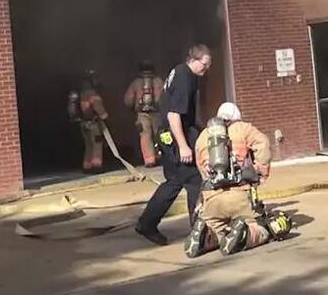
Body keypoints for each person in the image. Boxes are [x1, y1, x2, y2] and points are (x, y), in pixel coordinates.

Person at [184, 102, 292, 258]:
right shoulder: (243, 128)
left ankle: (207, 235)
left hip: (212, 199)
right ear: (237, 117)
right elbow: (263, 144)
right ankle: (244, 235)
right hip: (240, 195)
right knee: (261, 228)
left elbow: (201, 165)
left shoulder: (203, 136)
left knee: (217, 227)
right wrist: (260, 173)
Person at [134, 45, 212, 246]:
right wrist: (184, 145)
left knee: (175, 182)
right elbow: (174, 114)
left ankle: (147, 224)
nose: (206, 69)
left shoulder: (179, 72)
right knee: (194, 180)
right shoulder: (185, 77)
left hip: (170, 136)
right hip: (176, 137)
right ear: (193, 59)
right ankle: (198, 231)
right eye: (204, 64)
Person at [123, 60, 164, 168]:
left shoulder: (136, 83)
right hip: (157, 113)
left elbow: (128, 99)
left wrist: (132, 108)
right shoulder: (159, 81)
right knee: (160, 134)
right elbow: (166, 96)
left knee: (145, 136)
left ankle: (149, 160)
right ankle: (161, 156)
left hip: (142, 114)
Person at [67, 70, 109, 173]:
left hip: (82, 124)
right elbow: (100, 110)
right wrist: (104, 116)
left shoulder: (79, 95)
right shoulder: (93, 95)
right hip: (94, 124)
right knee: (97, 144)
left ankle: (87, 166)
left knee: (88, 145)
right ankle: (96, 166)